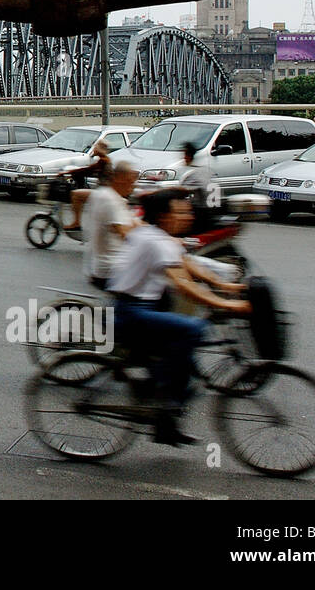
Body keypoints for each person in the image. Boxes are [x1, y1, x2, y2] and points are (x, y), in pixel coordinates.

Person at [106, 189, 250, 445]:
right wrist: (230, 305)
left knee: (185, 366)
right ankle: (164, 398)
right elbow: (185, 285)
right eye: (181, 211)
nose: (188, 216)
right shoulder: (156, 240)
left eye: (187, 210)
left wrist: (230, 288)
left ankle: (164, 418)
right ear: (163, 216)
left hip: (142, 309)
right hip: (131, 313)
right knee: (192, 329)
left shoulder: (158, 236)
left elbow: (190, 266)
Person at [82, 162, 140, 291]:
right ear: (119, 178)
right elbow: (126, 234)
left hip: (100, 265)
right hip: (111, 268)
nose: (133, 185)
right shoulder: (111, 201)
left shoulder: (105, 194)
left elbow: (134, 223)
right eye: (130, 181)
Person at [64, 138, 113, 231]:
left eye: (95, 147)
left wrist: (66, 172)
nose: (94, 149)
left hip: (103, 193)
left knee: (76, 195)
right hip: (104, 191)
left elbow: (87, 170)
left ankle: (76, 223)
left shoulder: (103, 161)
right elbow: (90, 171)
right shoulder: (105, 160)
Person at [179, 142, 219, 229]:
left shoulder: (191, 173)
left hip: (202, 212)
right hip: (215, 209)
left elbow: (181, 191)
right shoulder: (205, 170)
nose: (183, 158)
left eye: (184, 155)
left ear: (187, 156)